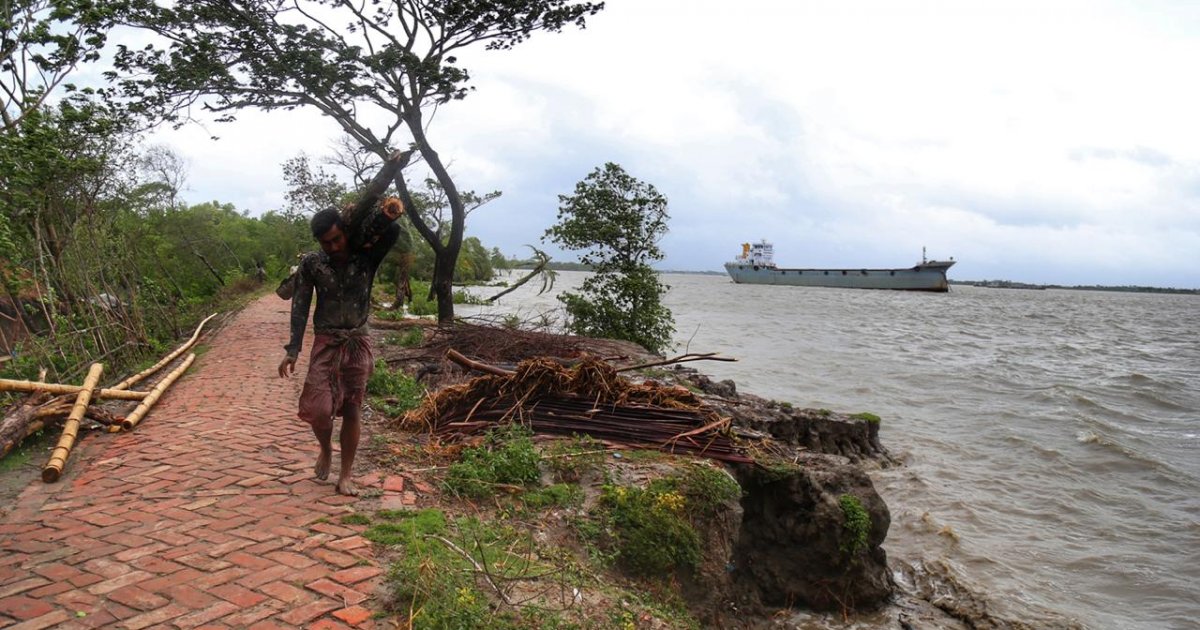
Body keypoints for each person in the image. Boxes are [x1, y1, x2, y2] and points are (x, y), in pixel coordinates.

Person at [278, 197, 404, 495]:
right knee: (319, 410)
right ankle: (325, 448)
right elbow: (300, 305)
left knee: (352, 409)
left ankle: (345, 475)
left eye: (337, 239)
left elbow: (394, 232)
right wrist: (292, 348)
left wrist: (366, 225)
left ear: (344, 232)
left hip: (358, 341)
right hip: (326, 341)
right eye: (326, 243)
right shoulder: (312, 263)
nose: (333, 247)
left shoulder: (366, 257)